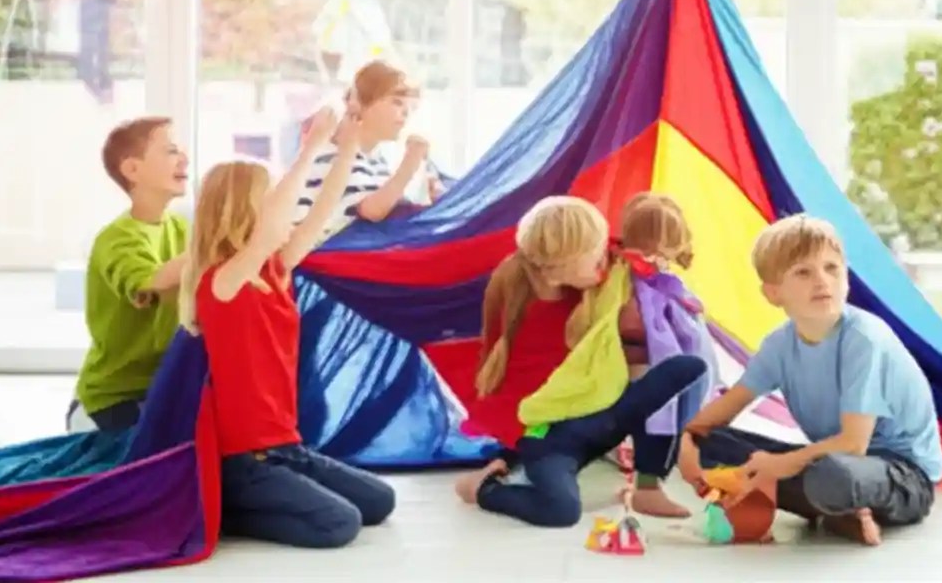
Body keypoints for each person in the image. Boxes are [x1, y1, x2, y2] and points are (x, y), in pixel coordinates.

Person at [179, 107, 395, 548]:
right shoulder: (223, 282)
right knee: (340, 524)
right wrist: (312, 147)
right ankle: (228, 513)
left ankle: (260, 497)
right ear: (246, 212)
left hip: (287, 448)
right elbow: (274, 224)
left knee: (380, 502)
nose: (285, 208)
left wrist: (347, 148)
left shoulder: (275, 269)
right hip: (248, 460)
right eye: (272, 199)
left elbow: (320, 211)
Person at [675, 215, 942, 547]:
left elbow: (853, 444)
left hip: (901, 476)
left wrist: (778, 465)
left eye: (832, 268)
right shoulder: (779, 344)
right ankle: (838, 512)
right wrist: (687, 442)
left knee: (833, 475)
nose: (822, 281)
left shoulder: (863, 339)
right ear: (773, 293)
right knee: (712, 445)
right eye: (803, 272)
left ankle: (833, 504)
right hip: (827, 461)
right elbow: (718, 415)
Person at [453, 196, 708, 528]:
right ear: (561, 267)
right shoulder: (521, 294)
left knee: (660, 379)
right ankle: (489, 482)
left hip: (590, 414)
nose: (605, 261)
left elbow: (637, 264)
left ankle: (647, 482)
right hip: (548, 425)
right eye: (594, 258)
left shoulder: (597, 279)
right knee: (557, 496)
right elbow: (522, 392)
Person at [68, 117, 190, 433]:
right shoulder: (117, 239)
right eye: (171, 151)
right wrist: (219, 239)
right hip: (112, 400)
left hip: (159, 388)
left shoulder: (181, 229)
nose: (184, 158)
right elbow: (153, 281)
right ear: (132, 170)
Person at [614, 193, 705, 518]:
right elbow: (634, 323)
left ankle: (641, 481)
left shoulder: (654, 279)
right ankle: (648, 488)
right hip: (639, 364)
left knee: (649, 424)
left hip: (642, 363)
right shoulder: (625, 280)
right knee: (657, 425)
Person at [292, 61, 439, 239]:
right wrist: (410, 163)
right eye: (397, 102)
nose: (406, 112)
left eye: (411, 107)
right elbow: (372, 211)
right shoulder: (334, 155)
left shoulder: (375, 159)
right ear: (357, 103)